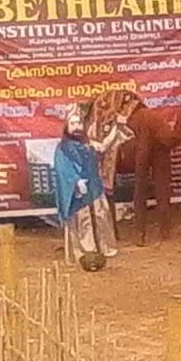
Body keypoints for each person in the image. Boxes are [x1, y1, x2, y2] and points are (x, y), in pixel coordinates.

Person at [53, 104, 130, 265]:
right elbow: (62, 169)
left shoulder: (88, 145)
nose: (76, 127)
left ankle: (104, 248)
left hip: (94, 188)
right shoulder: (62, 149)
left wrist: (116, 128)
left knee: (101, 215)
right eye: (73, 123)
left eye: (79, 123)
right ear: (67, 126)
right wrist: (76, 181)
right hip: (77, 193)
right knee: (82, 219)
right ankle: (83, 252)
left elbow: (104, 147)